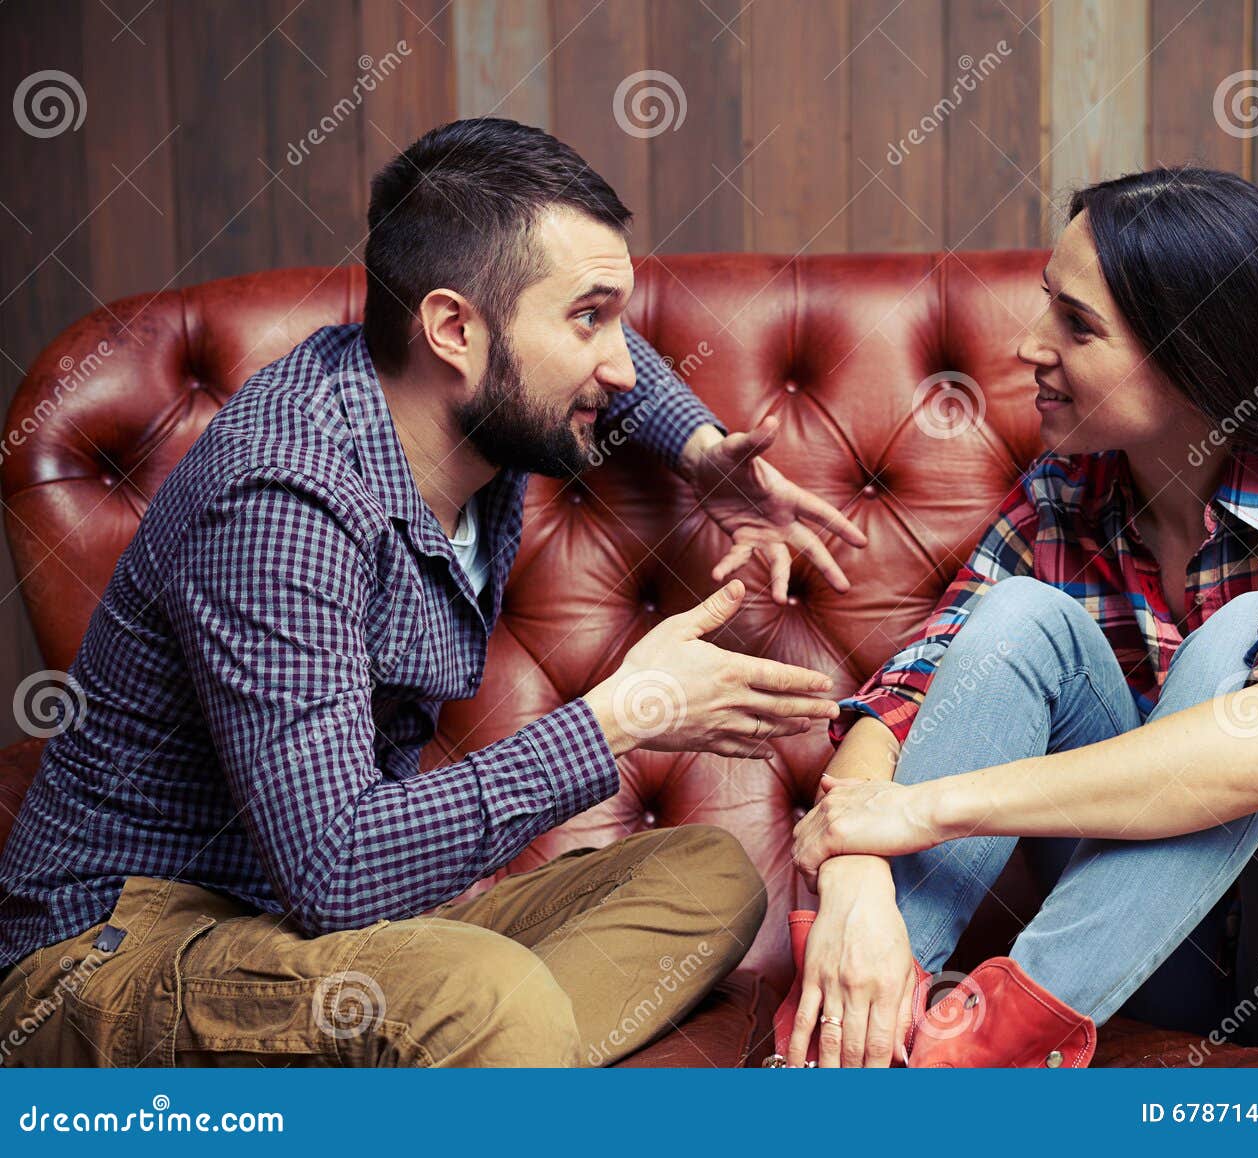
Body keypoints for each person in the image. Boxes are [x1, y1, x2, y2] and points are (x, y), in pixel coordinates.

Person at [0, 118, 866, 1067]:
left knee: (710, 878)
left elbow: (617, 372)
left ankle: (471, 1071)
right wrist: (621, 717)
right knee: (484, 998)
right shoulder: (283, 497)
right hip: (128, 950)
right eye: (589, 319)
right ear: (453, 328)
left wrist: (702, 452)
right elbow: (334, 868)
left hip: (319, 940)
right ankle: (485, 1050)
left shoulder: (466, 403)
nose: (619, 363)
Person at [780, 167, 1258, 1068]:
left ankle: (976, 1056)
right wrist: (855, 887)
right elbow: (903, 703)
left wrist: (925, 812)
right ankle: (843, 1048)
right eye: (1049, 305)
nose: (1029, 347)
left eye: (1077, 325)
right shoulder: (1063, 496)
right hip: (1165, 961)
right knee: (1014, 616)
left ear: (1198, 350)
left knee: (1244, 638)